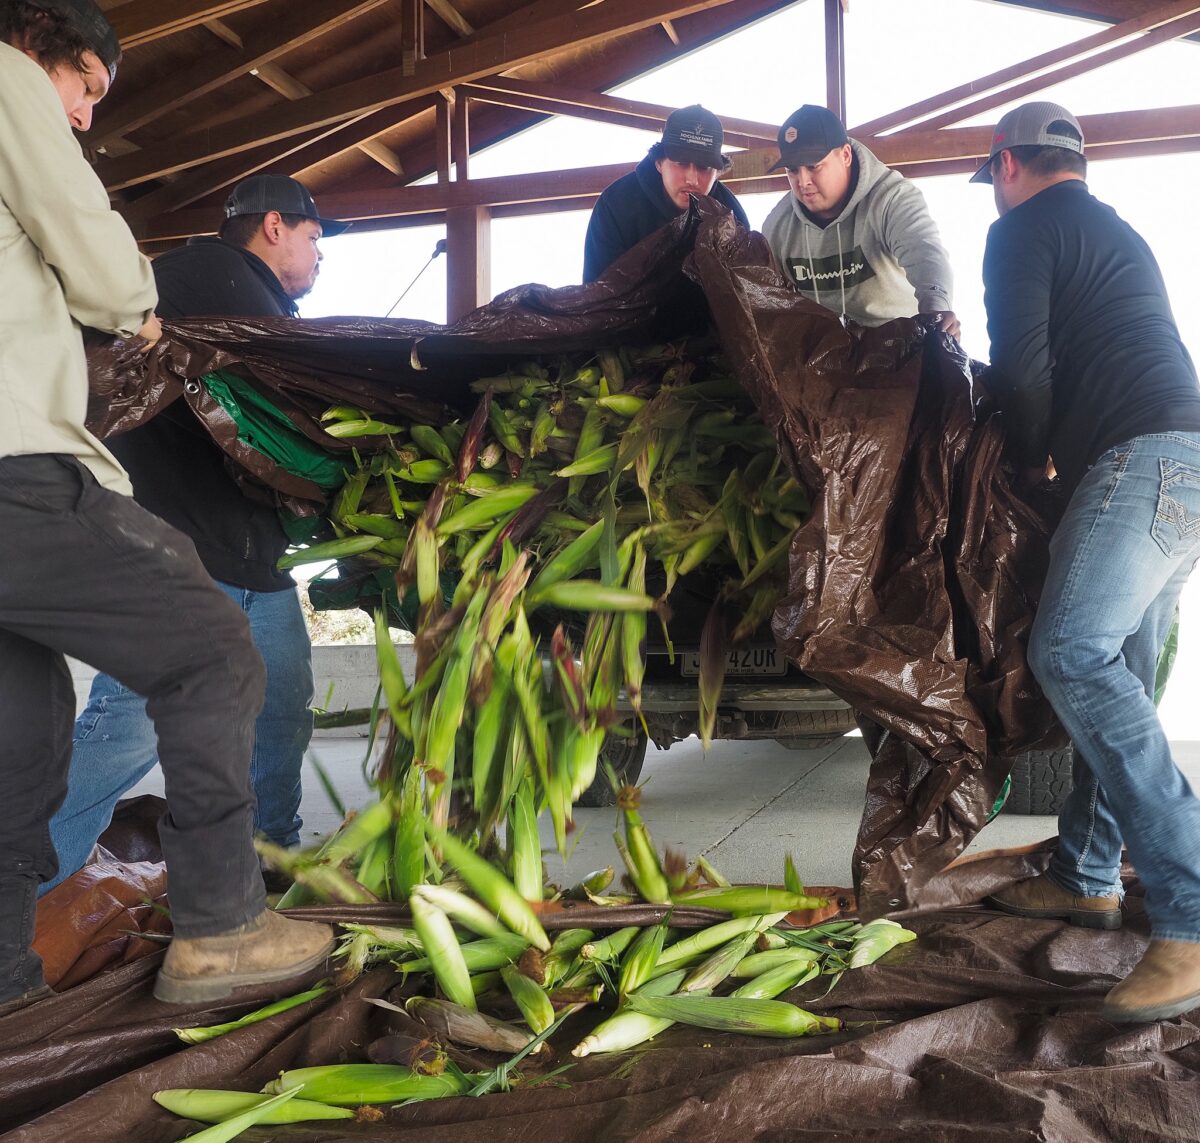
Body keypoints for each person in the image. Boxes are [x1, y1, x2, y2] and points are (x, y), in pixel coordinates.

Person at [0, 0, 332, 1014]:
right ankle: (226, 926)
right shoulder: (3, 76)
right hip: (17, 470)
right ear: (37, 49)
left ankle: (6, 987)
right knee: (212, 655)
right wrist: (138, 308)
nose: (87, 118)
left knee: (19, 727)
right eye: (85, 89)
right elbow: (93, 254)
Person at [44, 175, 349, 895]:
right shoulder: (214, 272)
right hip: (176, 553)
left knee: (279, 706)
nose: (319, 255)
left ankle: (266, 863)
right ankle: (25, 880)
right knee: (134, 721)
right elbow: (289, 398)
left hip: (249, 556)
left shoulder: (247, 297)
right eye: (313, 237)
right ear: (273, 225)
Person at [976, 102, 1200, 1023]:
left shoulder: (1022, 228)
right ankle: (1087, 873)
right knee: (1130, 679)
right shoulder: (1115, 231)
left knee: (1070, 652)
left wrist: (1027, 461)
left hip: (1137, 461)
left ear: (1005, 166)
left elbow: (1021, 371)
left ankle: (1188, 915)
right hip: (1186, 462)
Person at [762, 104, 958, 334]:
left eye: (813, 166)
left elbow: (924, 252)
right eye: (792, 170)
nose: (802, 181)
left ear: (845, 155)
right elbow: (766, 299)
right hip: (820, 357)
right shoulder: (777, 226)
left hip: (899, 350)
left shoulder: (891, 198)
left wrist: (936, 307)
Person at [583, 104, 749, 282]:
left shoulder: (732, 215)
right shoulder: (616, 206)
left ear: (717, 172)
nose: (692, 179)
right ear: (658, 163)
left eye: (704, 167)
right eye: (681, 163)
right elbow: (597, 293)